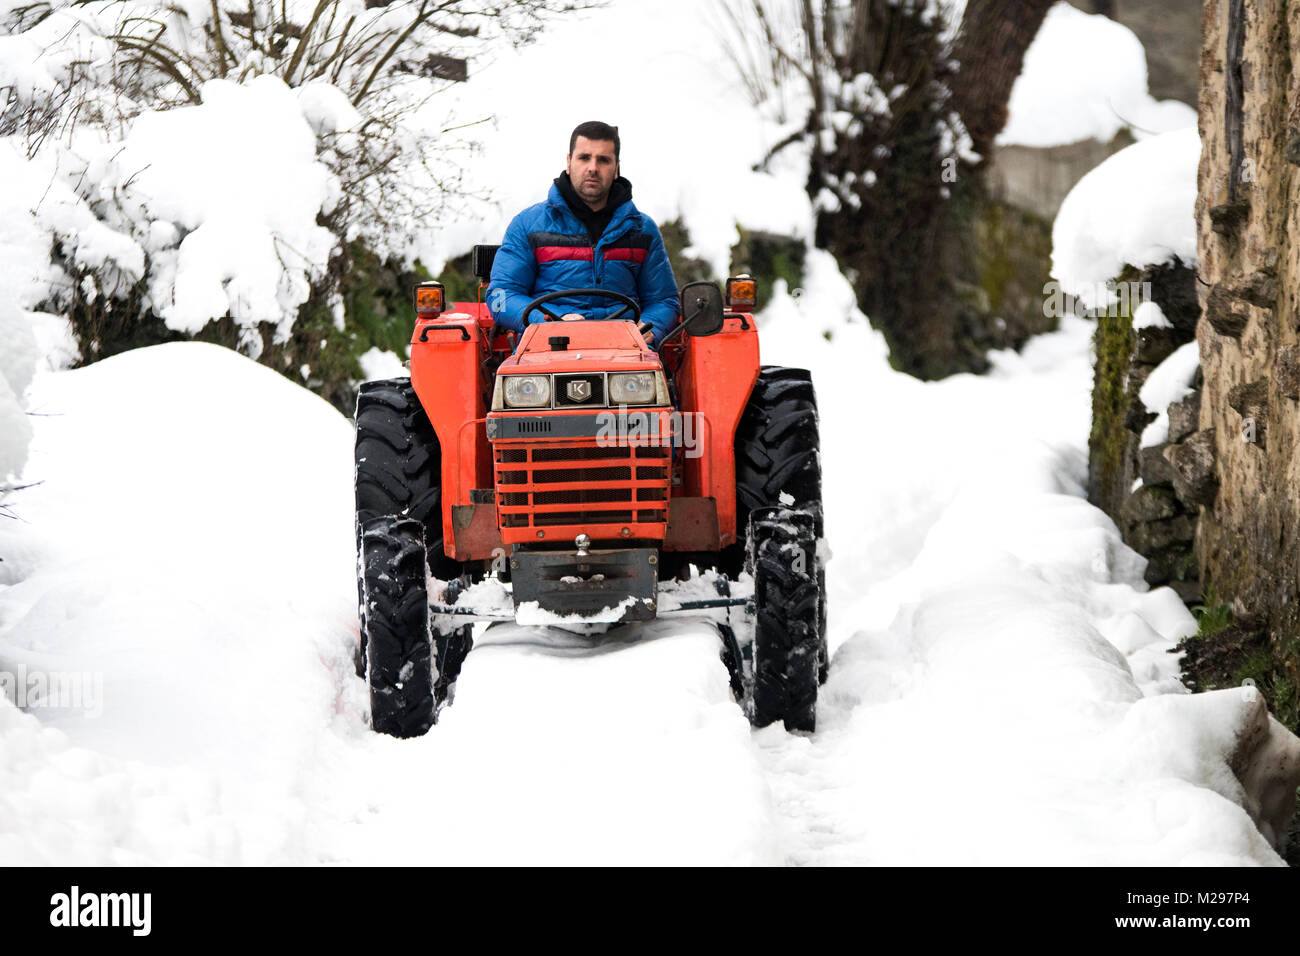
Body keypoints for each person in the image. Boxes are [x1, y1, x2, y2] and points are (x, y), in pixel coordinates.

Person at [487, 121, 680, 346]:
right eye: (584, 157)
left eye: (603, 160)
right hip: (547, 348)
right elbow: (501, 295)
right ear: (569, 162)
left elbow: (665, 300)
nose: (593, 168)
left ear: (616, 167)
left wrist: (650, 327)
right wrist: (544, 322)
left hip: (626, 350)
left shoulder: (643, 230)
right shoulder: (527, 225)